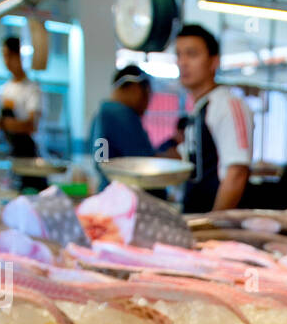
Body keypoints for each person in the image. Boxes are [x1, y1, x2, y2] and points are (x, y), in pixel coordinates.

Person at [174, 24, 253, 212]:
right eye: (178, 55)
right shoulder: (198, 109)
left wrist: (213, 226)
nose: (183, 62)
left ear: (213, 62)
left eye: (192, 54)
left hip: (217, 230)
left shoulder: (227, 105)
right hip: (194, 222)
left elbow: (237, 173)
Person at [0, 36, 43, 189]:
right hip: (12, 155)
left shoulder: (32, 88)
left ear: (19, 56)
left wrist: (1, 123)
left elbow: (31, 125)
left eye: (9, 56)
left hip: (31, 157)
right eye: (4, 56)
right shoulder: (6, 89)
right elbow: (0, 126)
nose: (6, 61)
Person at [88, 65, 157, 192]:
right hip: (125, 197)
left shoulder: (101, 113)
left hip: (106, 192)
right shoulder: (123, 114)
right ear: (135, 89)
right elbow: (144, 165)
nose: (147, 104)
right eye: (147, 95)